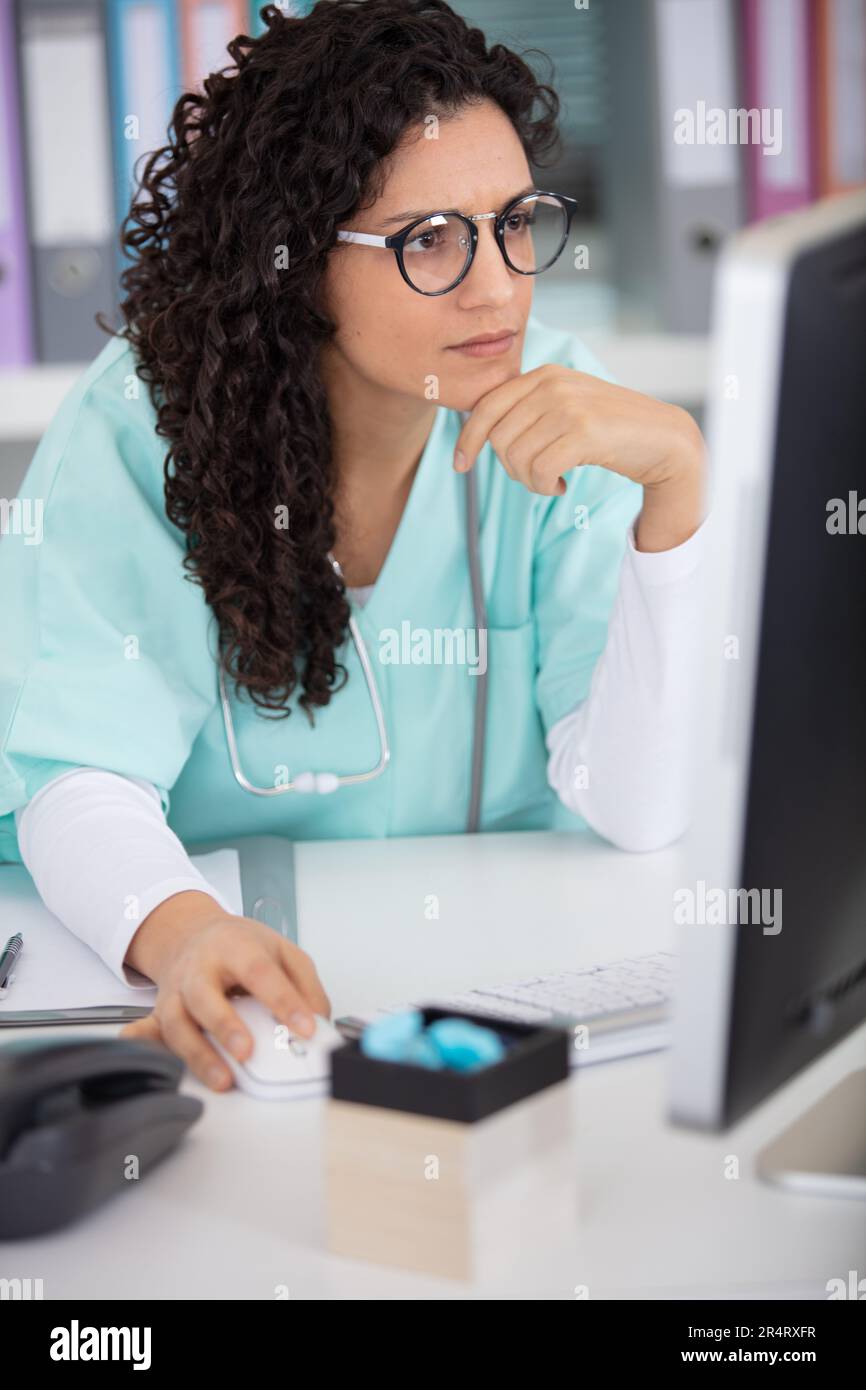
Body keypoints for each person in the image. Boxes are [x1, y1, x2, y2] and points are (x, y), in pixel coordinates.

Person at [0, 0, 706, 1092]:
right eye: (428, 240)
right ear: (292, 259)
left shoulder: (566, 420)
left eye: (515, 221)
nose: (495, 285)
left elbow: (638, 806)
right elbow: (75, 779)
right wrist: (185, 931)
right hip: (244, 1013)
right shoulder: (143, 424)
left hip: (500, 982)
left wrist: (674, 496)